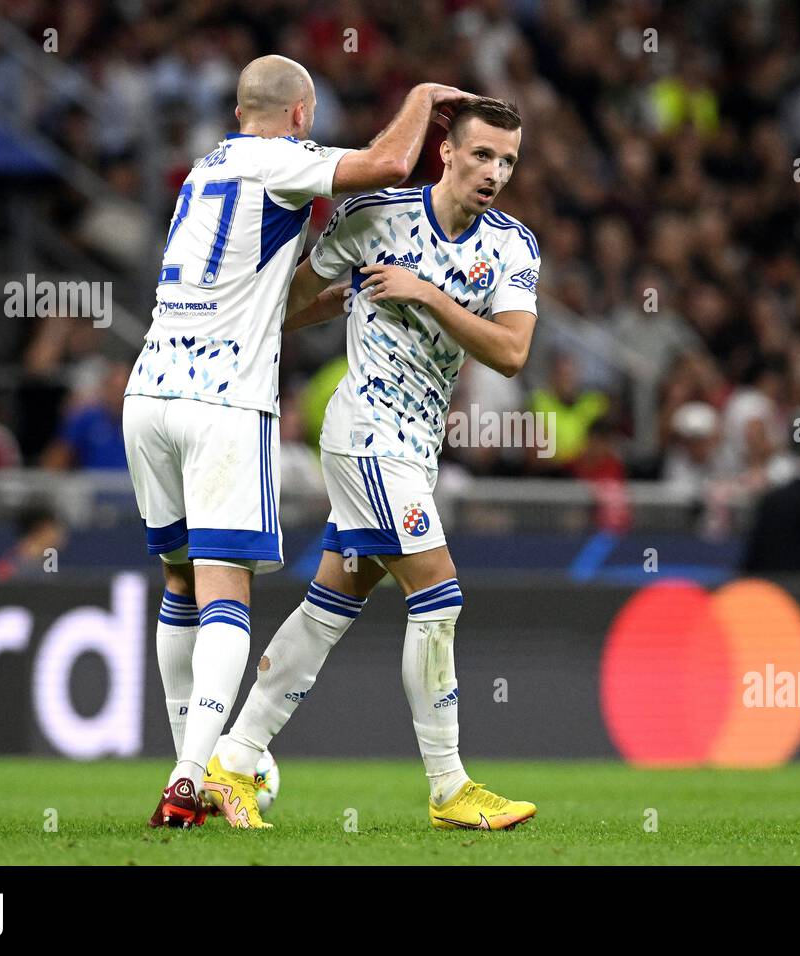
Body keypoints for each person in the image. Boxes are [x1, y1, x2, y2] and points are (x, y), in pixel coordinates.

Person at [121, 53, 467, 828]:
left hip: (148, 393)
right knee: (224, 590)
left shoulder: (203, 171)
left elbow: (254, 299)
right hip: (222, 405)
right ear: (301, 115)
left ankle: (186, 767)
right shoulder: (281, 160)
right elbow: (387, 164)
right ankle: (192, 779)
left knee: (179, 580)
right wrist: (420, 97)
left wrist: (331, 299)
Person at [210, 97, 541, 831]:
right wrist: (329, 303)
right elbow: (281, 305)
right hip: (364, 434)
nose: (495, 173)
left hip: (416, 448)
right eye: (482, 155)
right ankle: (450, 788)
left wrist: (427, 295)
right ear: (446, 151)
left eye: (508, 161)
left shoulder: (513, 247)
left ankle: (233, 758)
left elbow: (512, 352)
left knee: (329, 607)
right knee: (439, 596)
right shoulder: (373, 216)